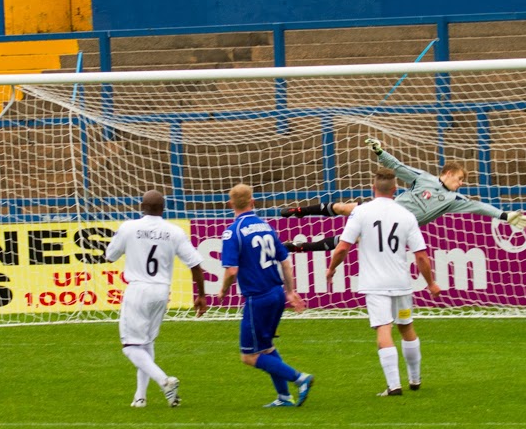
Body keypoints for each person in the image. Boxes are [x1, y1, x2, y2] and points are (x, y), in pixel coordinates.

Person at [281, 137, 526, 252]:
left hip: (397, 226)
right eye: (461, 179)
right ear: (449, 173)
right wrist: (380, 152)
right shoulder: (423, 178)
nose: (462, 184)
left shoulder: (454, 201)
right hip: (383, 209)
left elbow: (479, 207)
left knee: (350, 241)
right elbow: (399, 168)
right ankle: (299, 212)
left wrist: (504, 214)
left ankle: (298, 247)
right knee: (345, 208)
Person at [324, 169, 443, 397]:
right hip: (400, 282)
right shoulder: (406, 215)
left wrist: (332, 268)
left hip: (375, 284)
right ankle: (415, 380)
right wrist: (431, 283)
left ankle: (394, 385)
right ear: (395, 190)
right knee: (406, 327)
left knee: (383, 328)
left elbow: (342, 247)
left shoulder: (361, 212)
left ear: (373, 188)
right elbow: (421, 255)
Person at [104, 189, 207, 409]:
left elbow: (109, 255)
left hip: (138, 289)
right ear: (163, 208)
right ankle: (140, 397)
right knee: (146, 343)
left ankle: (164, 381)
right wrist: (201, 295)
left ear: (142, 206)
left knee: (130, 347)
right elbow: (195, 264)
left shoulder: (129, 228)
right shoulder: (174, 231)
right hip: (161, 291)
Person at [217, 183, 313, 408]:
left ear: (230, 204)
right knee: (266, 347)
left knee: (249, 356)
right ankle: (283, 397)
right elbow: (285, 262)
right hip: (276, 294)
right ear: (253, 201)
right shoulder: (265, 226)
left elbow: (232, 270)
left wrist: (223, 290)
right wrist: (289, 291)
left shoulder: (233, 231)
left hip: (257, 298)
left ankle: (300, 378)